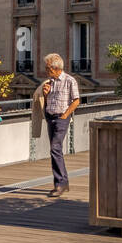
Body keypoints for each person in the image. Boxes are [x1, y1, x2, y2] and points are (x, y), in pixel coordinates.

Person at [38, 53, 80, 197]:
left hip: (62, 118)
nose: (46, 70)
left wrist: (65, 115)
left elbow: (76, 100)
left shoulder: (69, 80)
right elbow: (49, 100)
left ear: (55, 68)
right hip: (50, 117)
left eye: (47, 68)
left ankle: (60, 184)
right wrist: (45, 94)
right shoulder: (50, 81)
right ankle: (63, 182)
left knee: (55, 149)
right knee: (55, 150)